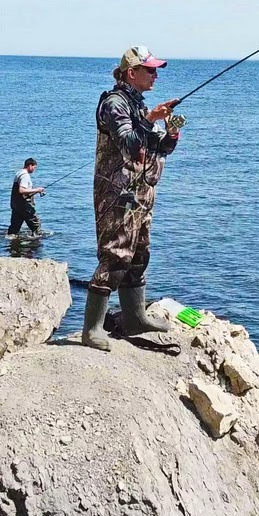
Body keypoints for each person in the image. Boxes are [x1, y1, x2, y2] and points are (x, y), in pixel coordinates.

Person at [82, 45, 182, 350]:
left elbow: (155, 148)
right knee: (115, 255)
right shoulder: (114, 104)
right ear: (131, 72)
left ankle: (135, 316)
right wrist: (150, 117)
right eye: (149, 70)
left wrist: (171, 133)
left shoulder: (137, 106)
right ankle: (91, 329)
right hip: (118, 192)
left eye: (155, 70)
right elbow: (128, 144)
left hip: (141, 192)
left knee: (139, 253)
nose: (154, 75)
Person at [8, 157, 44, 237]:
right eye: (34, 168)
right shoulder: (25, 176)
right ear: (30, 166)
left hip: (16, 205)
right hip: (24, 206)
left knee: (14, 227)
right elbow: (21, 190)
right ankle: (36, 242)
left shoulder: (19, 173)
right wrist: (37, 190)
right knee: (36, 224)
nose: (34, 170)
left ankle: (11, 240)